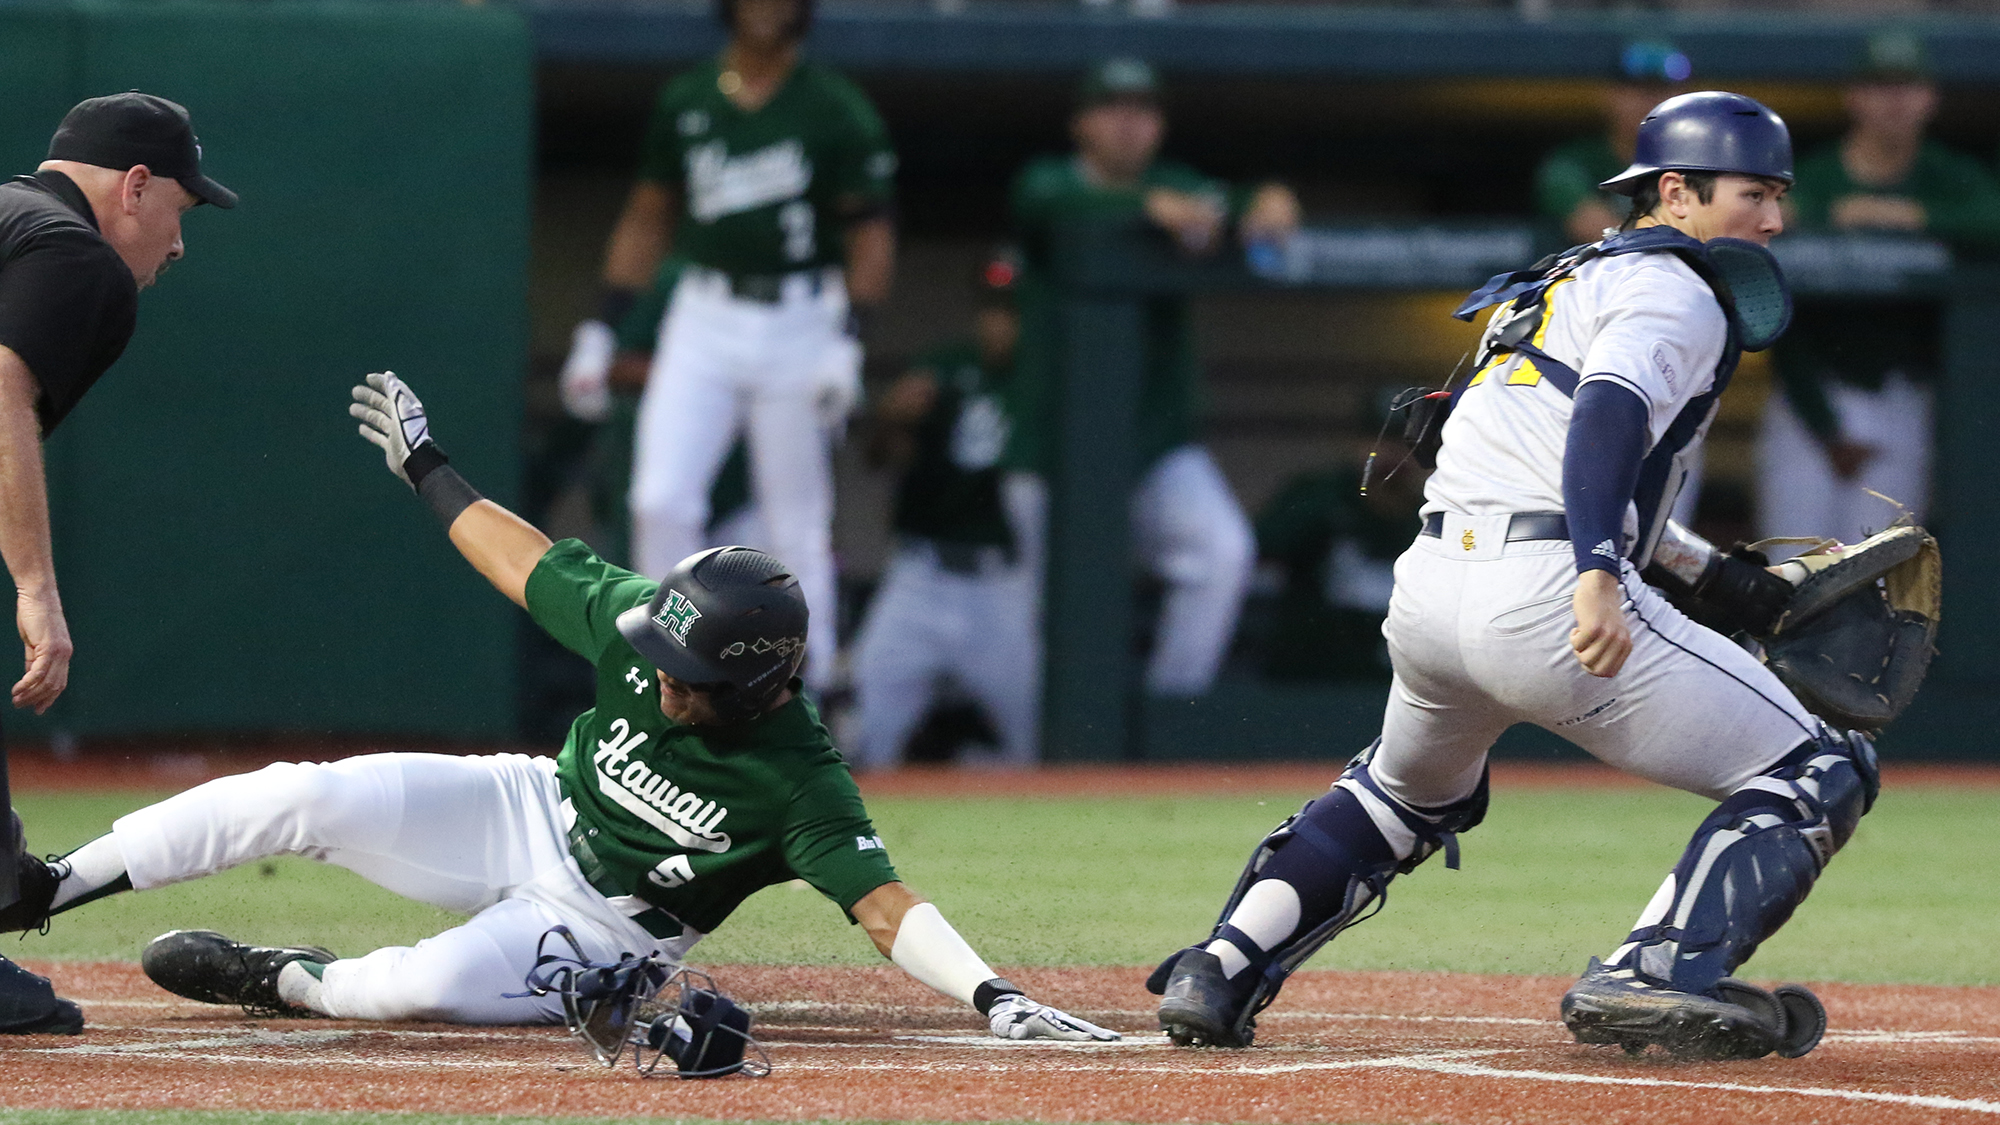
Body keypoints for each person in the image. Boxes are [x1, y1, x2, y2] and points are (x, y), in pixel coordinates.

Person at [0, 371, 1115, 1047]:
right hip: (532, 802)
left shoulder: (800, 780)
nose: (662, 673)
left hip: (608, 928)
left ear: (764, 685)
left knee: (413, 990)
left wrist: (993, 994)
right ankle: (52, 884)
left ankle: (289, 980)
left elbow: (882, 905)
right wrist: (428, 467)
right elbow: (524, 560)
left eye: (691, 674)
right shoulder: (646, 622)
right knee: (308, 796)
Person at [1149, 92, 1879, 1063]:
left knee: (1403, 792)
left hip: (1433, 589)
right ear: (1674, 190)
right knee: (1818, 767)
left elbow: (1566, 457)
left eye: (1777, 194)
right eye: (1753, 193)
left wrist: (1715, 577)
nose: (1773, 220)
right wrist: (1591, 574)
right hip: (1543, 593)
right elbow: (1606, 423)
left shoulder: (1562, 280)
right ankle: (1653, 968)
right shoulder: (1672, 287)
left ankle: (1222, 963)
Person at [561, 0, 896, 691]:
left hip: (802, 314)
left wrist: (849, 341)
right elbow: (648, 218)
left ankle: (807, 692)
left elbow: (871, 235)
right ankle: (663, 675)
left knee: (795, 520)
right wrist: (602, 328)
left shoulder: (833, 106)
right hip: (705, 311)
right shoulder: (688, 99)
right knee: (659, 498)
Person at [0, 92, 235, 1036]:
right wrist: (37, 587)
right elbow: (1, 392)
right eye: (180, 210)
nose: (178, 245)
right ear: (134, 186)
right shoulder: (75, 254)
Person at [1009, 58, 1299, 697]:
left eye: (1143, 110)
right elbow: (1049, 203)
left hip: (1152, 440)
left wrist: (1265, 200)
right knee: (1030, 620)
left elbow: (1235, 204)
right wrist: (1148, 206)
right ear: (1082, 122)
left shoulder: (1179, 182)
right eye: (1113, 109)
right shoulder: (1049, 181)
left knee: (1223, 553)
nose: (1128, 124)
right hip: (1050, 445)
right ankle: (1036, 771)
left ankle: (1166, 712)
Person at [1757, 31, 2000, 545]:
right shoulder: (1814, 178)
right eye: (1880, 86)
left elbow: (1989, 220)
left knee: (1882, 583)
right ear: (1854, 96)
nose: (1894, 101)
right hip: (1809, 393)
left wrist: (1911, 216)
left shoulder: (1948, 176)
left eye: (1907, 86)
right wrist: (1824, 425)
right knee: (1786, 573)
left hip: (1902, 394)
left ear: (1930, 97)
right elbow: (1775, 307)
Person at [847, 249, 1038, 771]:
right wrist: (891, 416)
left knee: (1036, 741)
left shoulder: (1051, 380)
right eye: (994, 308)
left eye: (1015, 311)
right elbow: (878, 459)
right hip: (920, 576)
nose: (1000, 324)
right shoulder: (947, 366)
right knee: (867, 729)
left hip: (1003, 586)